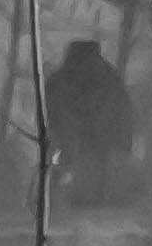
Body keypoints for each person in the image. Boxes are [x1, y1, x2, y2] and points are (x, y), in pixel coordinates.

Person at [41, 38, 136, 207]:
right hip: (93, 143)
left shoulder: (57, 81)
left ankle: (78, 200)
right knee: (86, 172)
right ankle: (85, 199)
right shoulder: (111, 79)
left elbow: (50, 113)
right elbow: (124, 114)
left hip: (81, 142)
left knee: (82, 171)